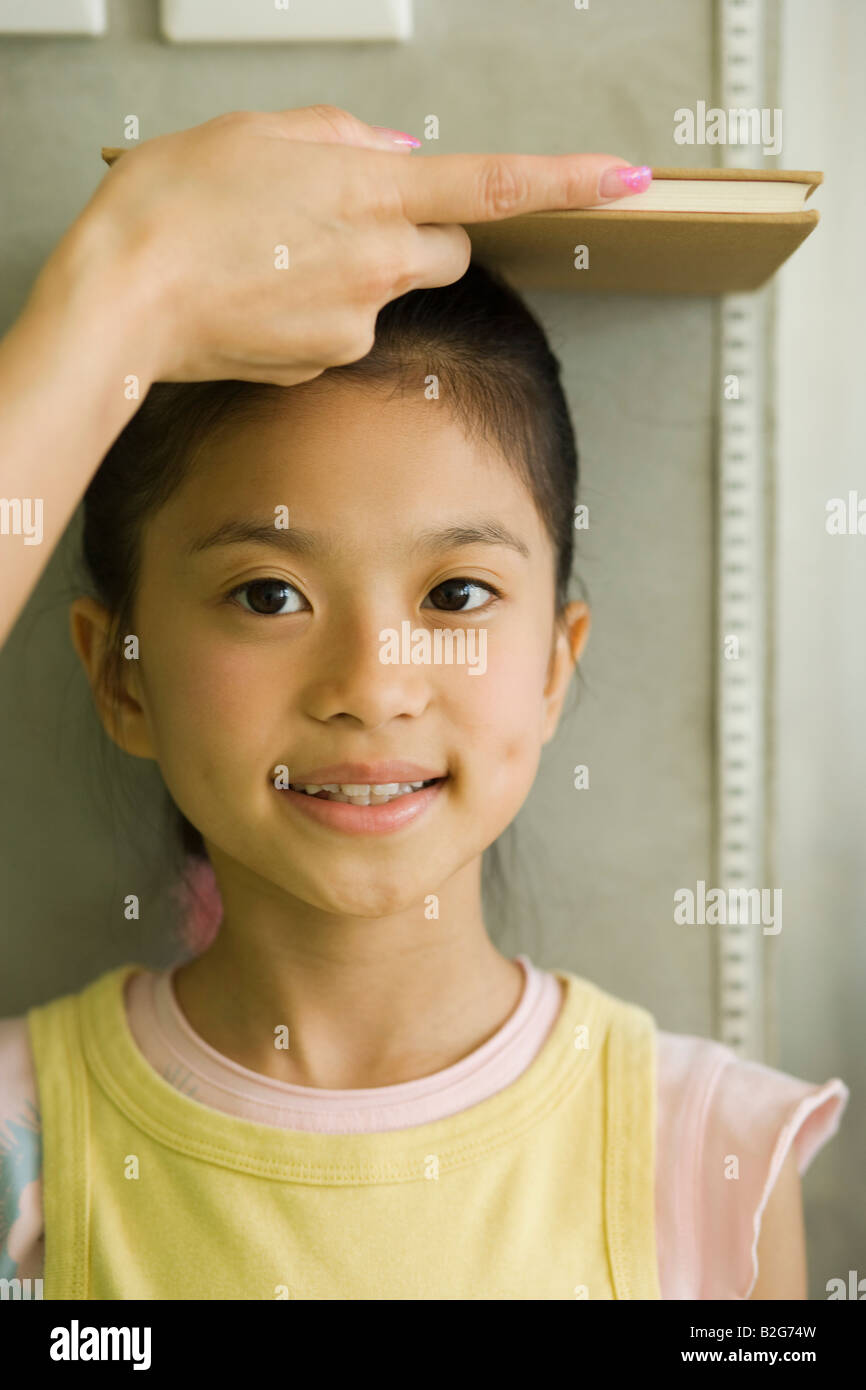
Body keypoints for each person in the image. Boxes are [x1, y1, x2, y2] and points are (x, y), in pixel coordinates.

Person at [0, 106, 848, 1300]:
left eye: (454, 591)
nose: (372, 684)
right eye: (267, 593)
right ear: (119, 673)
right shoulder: (21, 1145)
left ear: (555, 665)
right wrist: (110, 292)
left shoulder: (709, 1158)